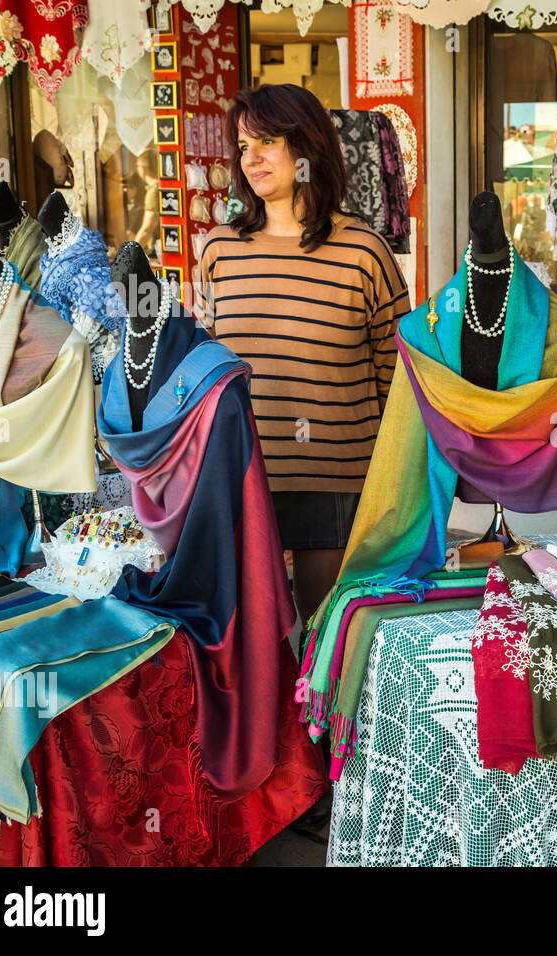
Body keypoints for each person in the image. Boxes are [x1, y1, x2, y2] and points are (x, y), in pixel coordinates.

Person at [194, 83, 410, 629]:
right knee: (253, 651)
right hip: (243, 476)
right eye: (244, 147)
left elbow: (397, 382)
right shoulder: (219, 251)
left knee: (326, 650)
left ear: (307, 147)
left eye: (266, 141)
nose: (252, 159)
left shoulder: (365, 251)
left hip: (336, 483)